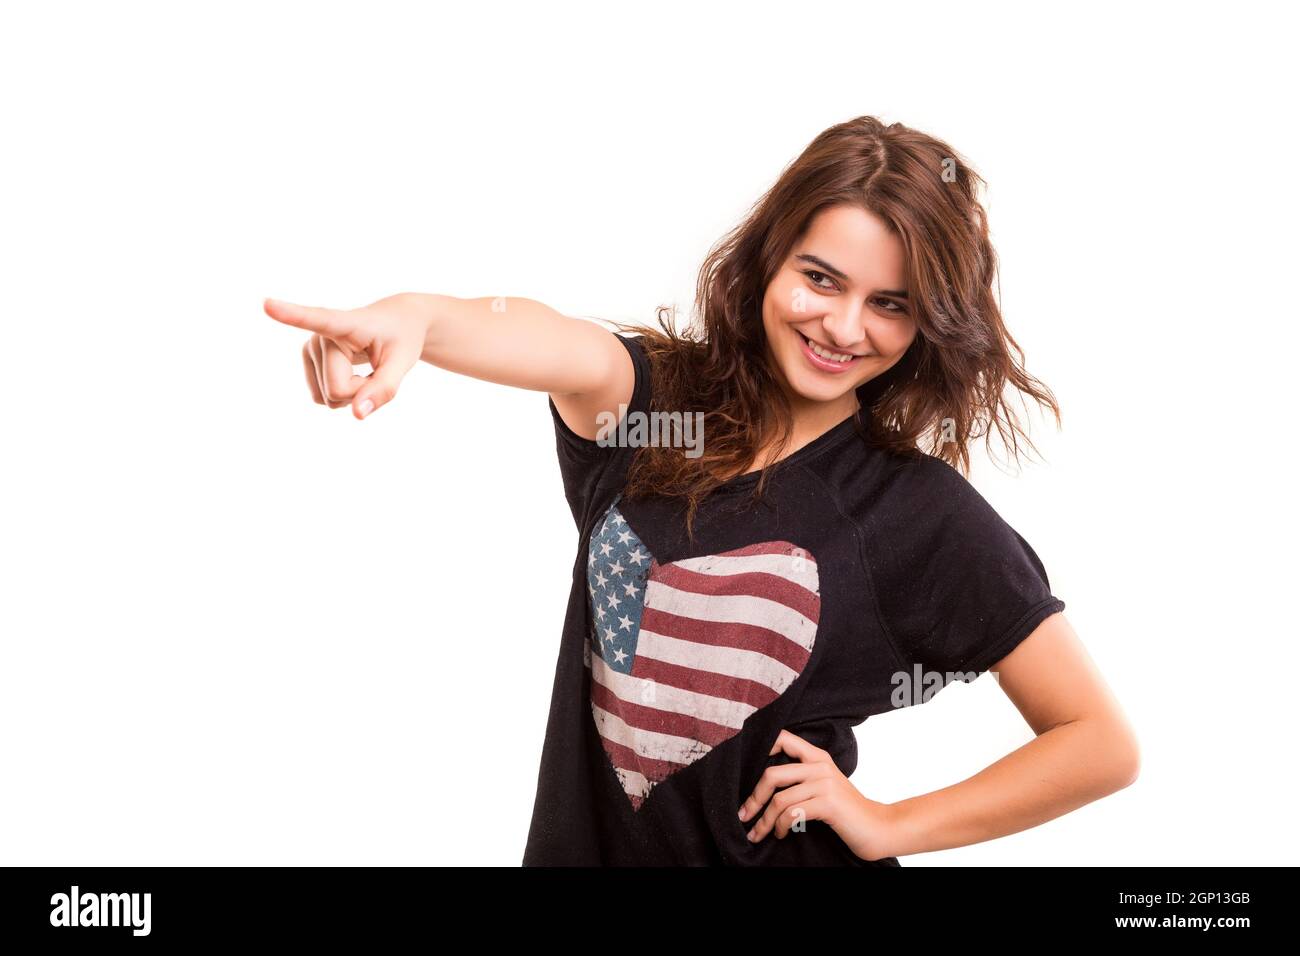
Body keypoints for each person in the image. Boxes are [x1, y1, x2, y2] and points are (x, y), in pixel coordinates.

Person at [265, 115, 1140, 866]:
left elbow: (1098, 742)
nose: (842, 327)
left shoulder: (917, 512)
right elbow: (552, 337)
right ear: (769, 259)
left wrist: (887, 825)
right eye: (821, 278)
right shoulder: (655, 408)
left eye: (890, 304)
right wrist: (418, 316)